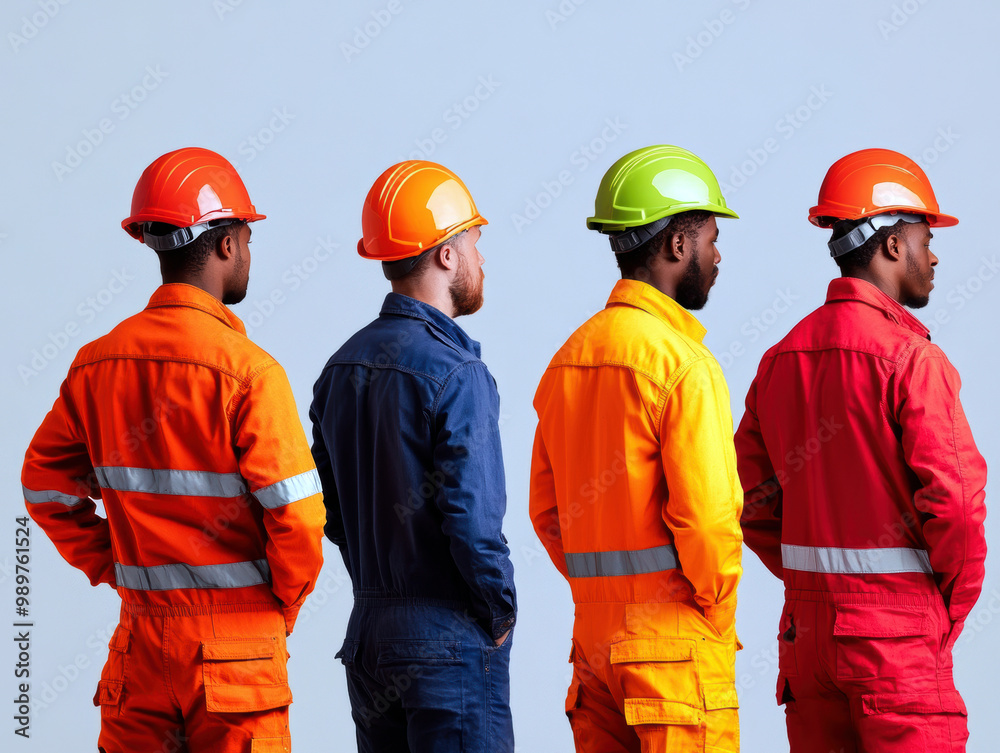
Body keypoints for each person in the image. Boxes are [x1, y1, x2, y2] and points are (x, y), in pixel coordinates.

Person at [22, 147, 325, 753]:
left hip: (140, 651)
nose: (247, 253)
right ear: (225, 244)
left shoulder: (97, 365)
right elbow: (298, 517)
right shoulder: (250, 374)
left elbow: (44, 487)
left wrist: (115, 566)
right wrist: (278, 609)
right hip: (237, 655)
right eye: (246, 237)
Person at [735, 148, 986, 752]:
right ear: (893, 245)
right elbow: (954, 506)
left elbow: (751, 501)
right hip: (894, 644)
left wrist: (816, 587)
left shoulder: (780, 360)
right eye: (926, 237)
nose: (934, 255)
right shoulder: (913, 362)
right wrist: (940, 610)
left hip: (807, 642)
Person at [530, 145, 743, 752]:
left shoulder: (568, 359)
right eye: (710, 236)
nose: (717, 254)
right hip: (674, 655)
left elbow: (547, 515)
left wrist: (603, 597)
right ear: (678, 245)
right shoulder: (684, 366)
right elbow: (708, 520)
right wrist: (713, 620)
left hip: (596, 651)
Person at [310, 160, 516, 752]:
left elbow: (336, 514)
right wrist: (498, 613)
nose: (482, 259)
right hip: (447, 640)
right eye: (474, 242)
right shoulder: (458, 374)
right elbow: (474, 525)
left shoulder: (340, 369)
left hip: (371, 635)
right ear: (445, 255)